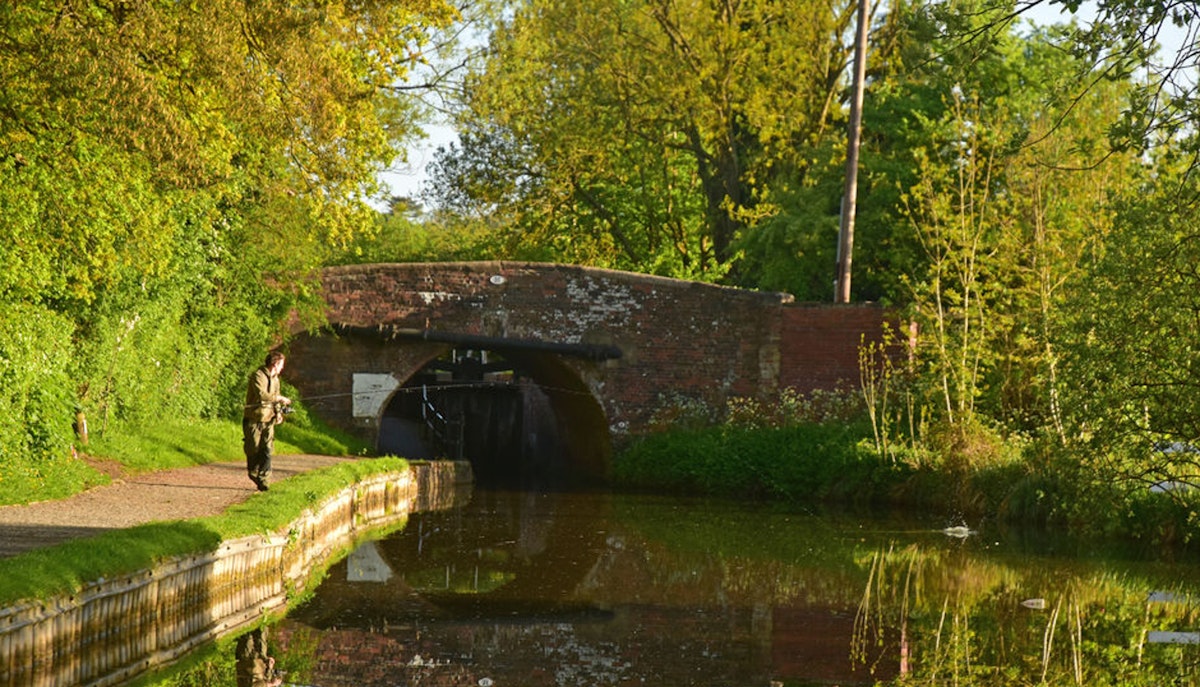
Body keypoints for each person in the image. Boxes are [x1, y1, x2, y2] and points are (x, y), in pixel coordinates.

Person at [243, 351, 291, 491]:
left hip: (269, 420)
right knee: (253, 449)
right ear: (275, 364)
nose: (282, 368)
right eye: (281, 365)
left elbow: (275, 399)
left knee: (267, 449)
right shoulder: (257, 376)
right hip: (253, 418)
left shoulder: (276, 379)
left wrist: (279, 413)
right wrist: (280, 398)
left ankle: (264, 481)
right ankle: (254, 472)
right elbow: (262, 395)